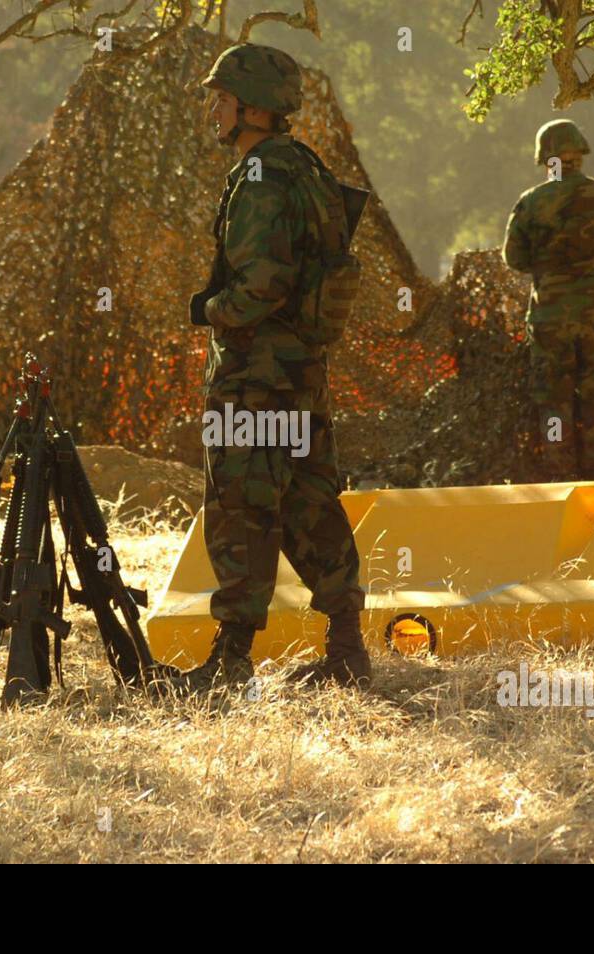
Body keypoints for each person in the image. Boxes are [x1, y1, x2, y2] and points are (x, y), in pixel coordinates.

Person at [172, 43, 369, 693]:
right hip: (300, 372)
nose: (212, 109)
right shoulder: (305, 166)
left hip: (255, 375)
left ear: (252, 108)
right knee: (311, 501)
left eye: (221, 98)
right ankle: (346, 650)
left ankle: (229, 665)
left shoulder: (259, 175)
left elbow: (261, 285)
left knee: (243, 506)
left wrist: (207, 309)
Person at [502, 119, 594, 480]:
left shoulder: (531, 203)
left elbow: (514, 258)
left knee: (553, 403)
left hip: (551, 321)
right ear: (579, 154)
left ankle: (559, 477)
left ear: (545, 157)